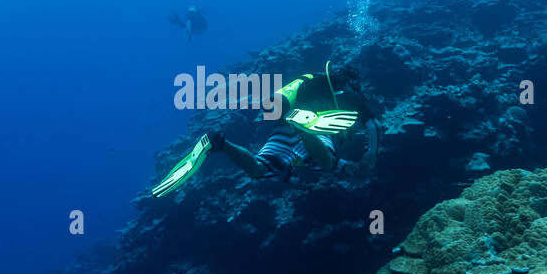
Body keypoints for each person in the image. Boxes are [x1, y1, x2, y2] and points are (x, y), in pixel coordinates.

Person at [153, 62, 382, 197]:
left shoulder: (313, 81)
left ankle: (218, 142)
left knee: (258, 170)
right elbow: (372, 126)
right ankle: (305, 128)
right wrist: (371, 154)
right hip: (315, 128)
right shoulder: (352, 96)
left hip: (284, 125)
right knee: (327, 162)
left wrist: (351, 168)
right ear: (352, 82)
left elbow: (325, 164)